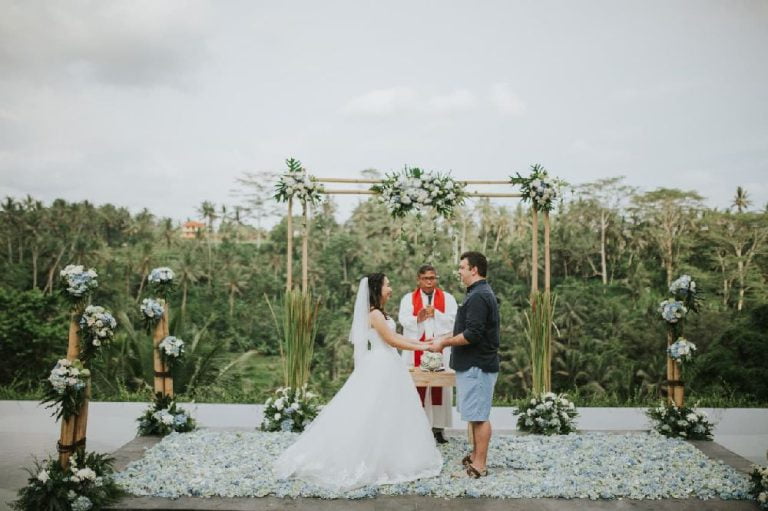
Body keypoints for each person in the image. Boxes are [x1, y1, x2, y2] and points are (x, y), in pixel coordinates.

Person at [273, 273, 443, 491]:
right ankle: (373, 459)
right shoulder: (374, 315)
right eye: (387, 285)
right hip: (382, 365)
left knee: (390, 413)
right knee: (375, 412)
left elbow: (398, 338)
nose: (390, 289)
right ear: (377, 289)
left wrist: (423, 342)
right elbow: (392, 340)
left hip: (389, 364)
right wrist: (424, 347)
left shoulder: (380, 314)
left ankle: (388, 457)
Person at [427, 251, 499, 478]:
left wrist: (444, 343)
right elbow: (465, 329)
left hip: (477, 364)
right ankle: (476, 457)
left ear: (474, 270)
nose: (459, 271)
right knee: (475, 414)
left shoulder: (478, 296)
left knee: (479, 416)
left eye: (462, 267)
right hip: (474, 364)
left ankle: (479, 466)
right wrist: (440, 339)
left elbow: (472, 335)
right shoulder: (477, 293)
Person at [398, 264, 457, 444]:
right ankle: (418, 428)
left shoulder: (447, 298)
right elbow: (403, 319)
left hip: (440, 348)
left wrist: (436, 314)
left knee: (440, 387)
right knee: (416, 387)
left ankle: (438, 429)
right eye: (426, 278)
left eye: (433, 278)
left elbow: (455, 321)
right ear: (419, 279)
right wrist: (419, 318)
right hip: (417, 347)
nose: (430, 282)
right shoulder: (408, 299)